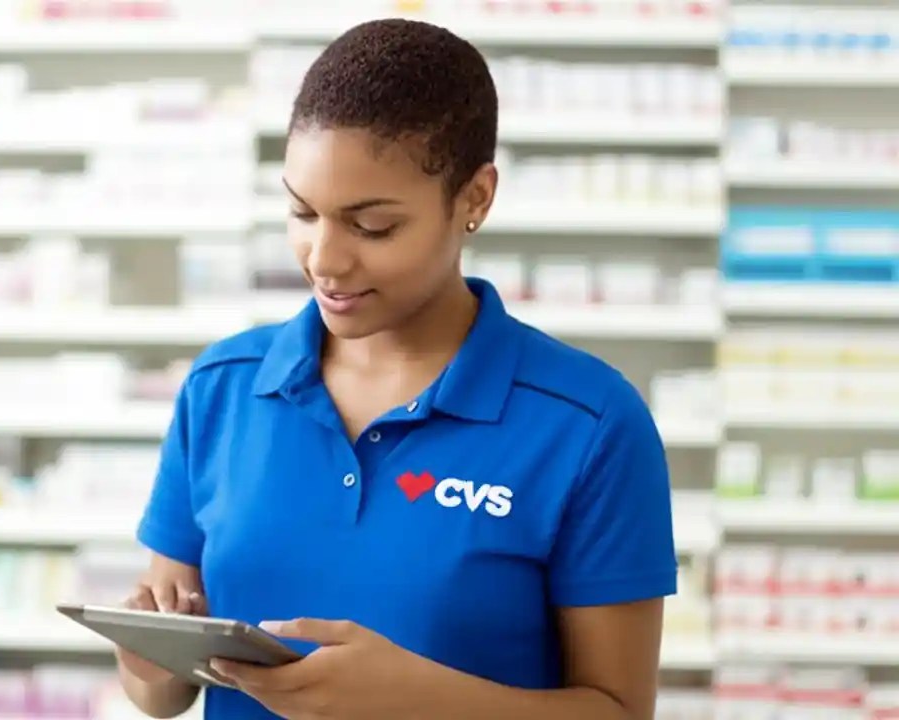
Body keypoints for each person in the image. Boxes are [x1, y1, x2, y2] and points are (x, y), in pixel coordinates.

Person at [116, 17, 677, 720]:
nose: (324, 259)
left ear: (474, 199)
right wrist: (150, 661)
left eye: (371, 226)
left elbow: (620, 711)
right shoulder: (223, 388)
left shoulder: (588, 424)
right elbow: (162, 695)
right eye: (302, 211)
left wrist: (421, 702)